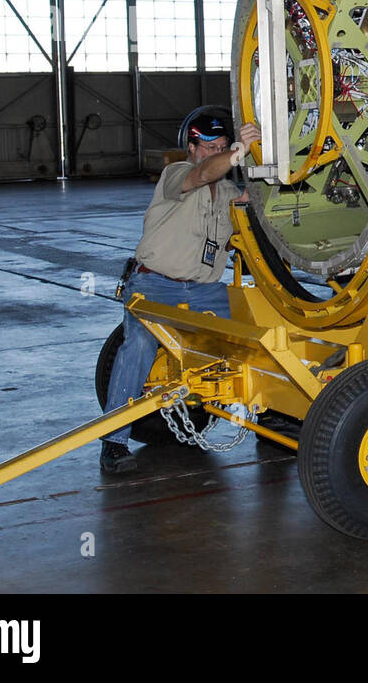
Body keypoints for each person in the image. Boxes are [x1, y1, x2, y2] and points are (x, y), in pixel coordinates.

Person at [100, 114, 261, 474]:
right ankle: (114, 440)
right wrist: (238, 152)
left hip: (206, 291)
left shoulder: (230, 194)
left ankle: (273, 417)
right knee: (139, 345)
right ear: (192, 149)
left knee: (262, 333)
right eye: (209, 148)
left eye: (222, 148)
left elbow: (260, 203)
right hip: (155, 284)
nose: (216, 154)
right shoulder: (176, 175)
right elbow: (202, 175)